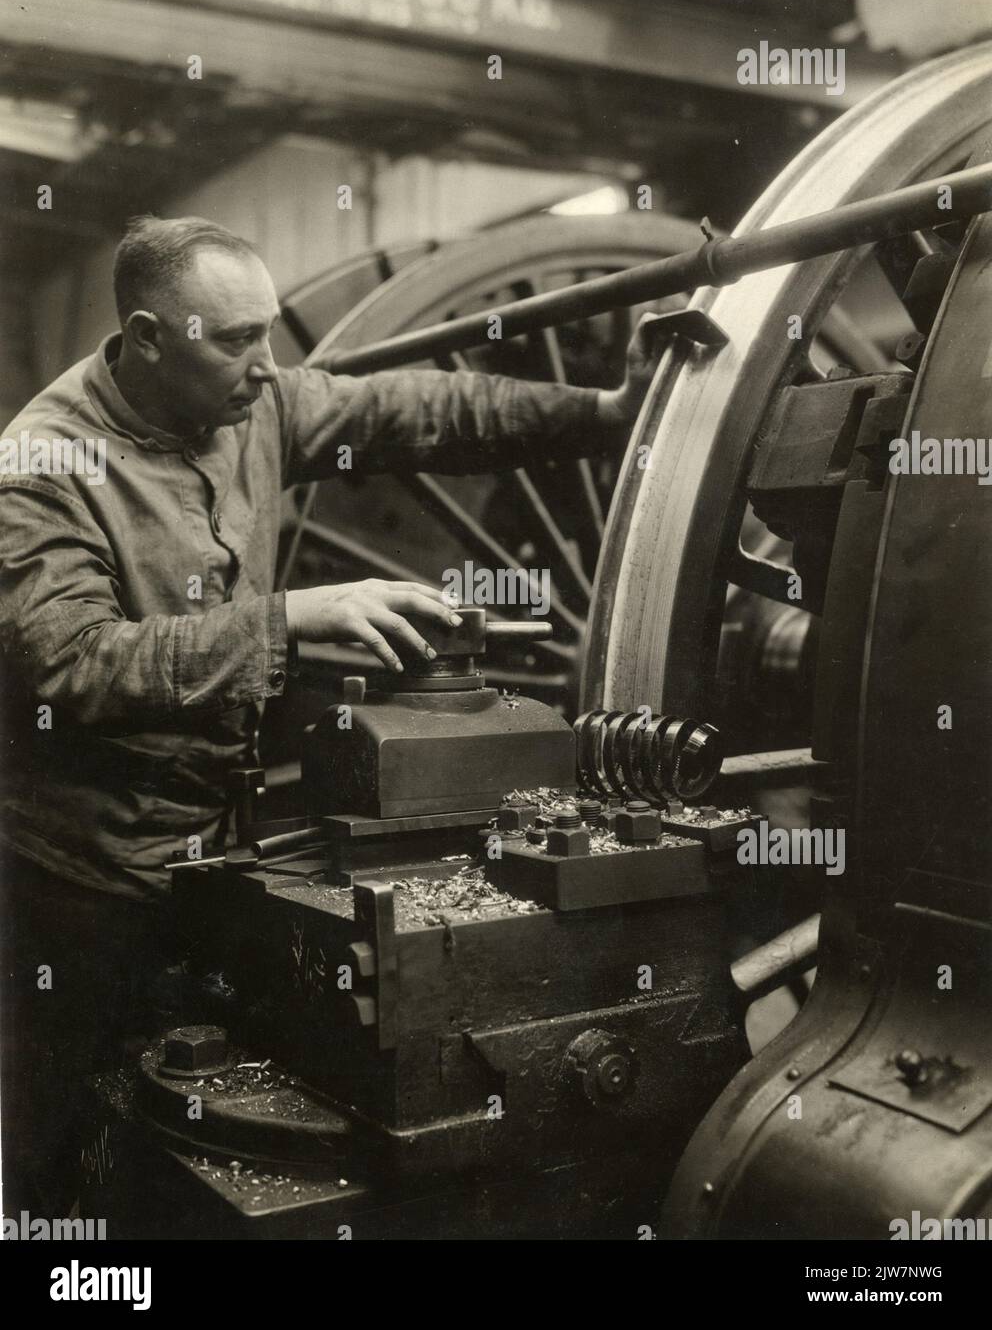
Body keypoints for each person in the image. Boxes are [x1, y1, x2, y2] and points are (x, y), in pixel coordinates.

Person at [0, 214, 658, 1215]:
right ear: (143, 337)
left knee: (201, 1125)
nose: (265, 366)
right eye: (232, 340)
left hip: (221, 855)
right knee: (64, 1134)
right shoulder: (41, 466)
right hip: (85, 882)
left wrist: (603, 409)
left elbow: (415, 410)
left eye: (267, 332)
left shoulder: (251, 404)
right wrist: (287, 622)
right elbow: (73, 663)